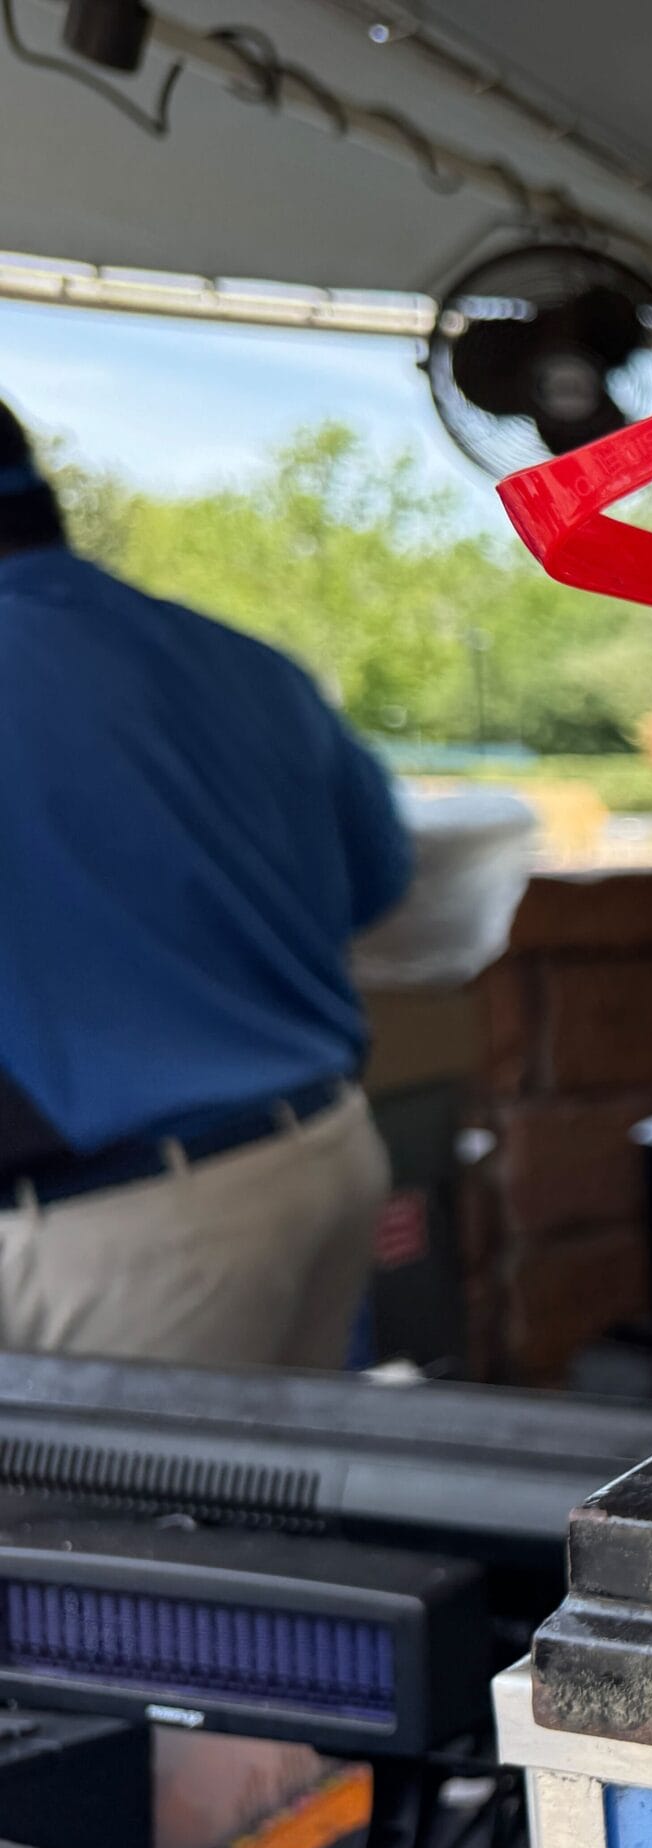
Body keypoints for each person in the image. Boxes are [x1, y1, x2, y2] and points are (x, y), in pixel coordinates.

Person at [0, 400, 412, 1366]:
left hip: (126, 1227)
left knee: (99, 1526)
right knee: (286, 1505)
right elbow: (379, 882)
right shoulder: (249, 666)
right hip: (321, 1154)